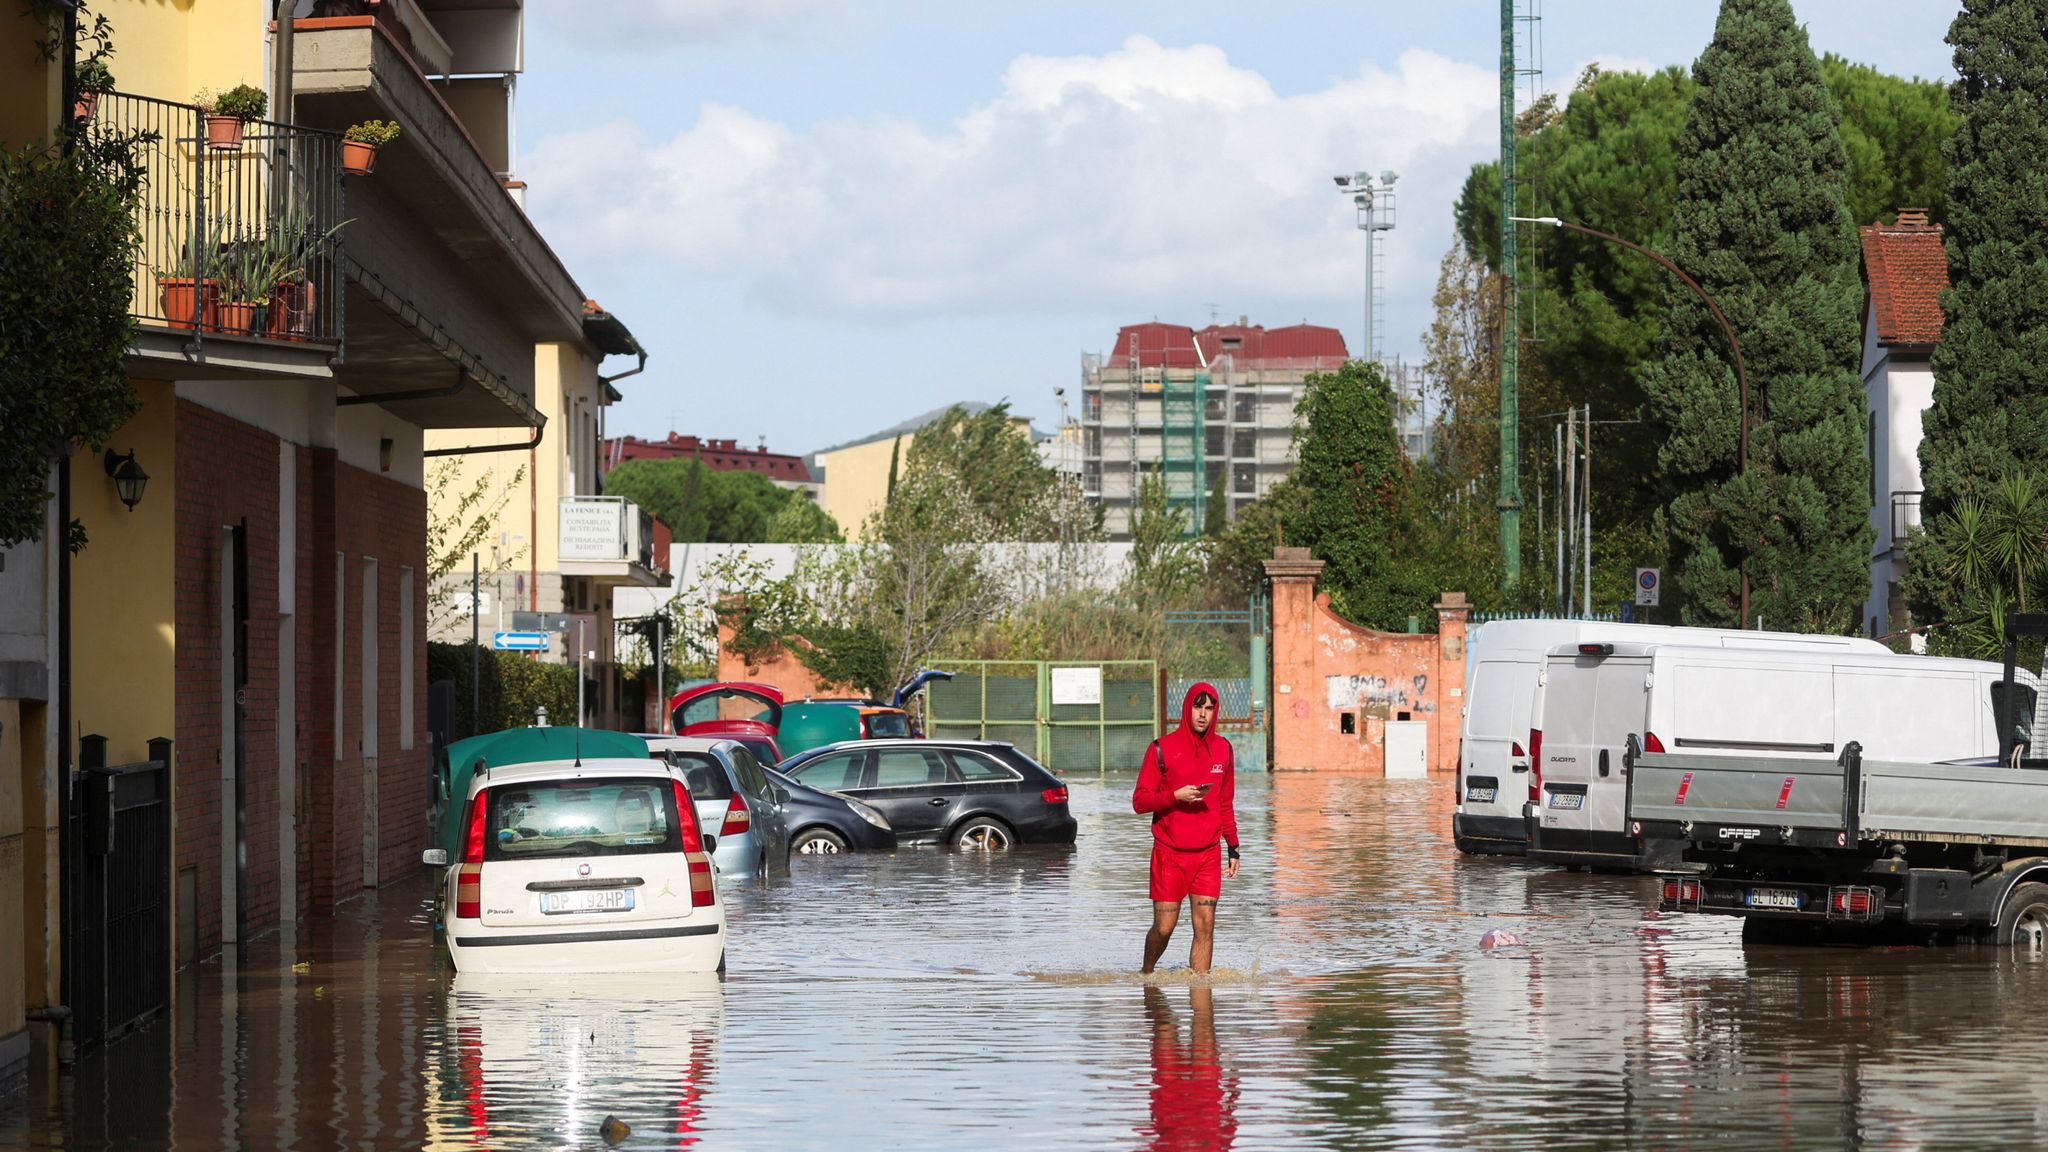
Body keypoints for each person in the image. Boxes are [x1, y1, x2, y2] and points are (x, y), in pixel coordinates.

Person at [1133, 683, 1240, 974]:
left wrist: (1233, 846)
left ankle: (1202, 1005)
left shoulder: (1223, 749)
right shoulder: (1160, 749)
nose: (1203, 715)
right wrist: (1174, 796)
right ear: (1186, 709)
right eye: (1197, 707)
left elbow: (1225, 802)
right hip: (1169, 855)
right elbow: (1140, 801)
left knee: (1205, 925)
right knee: (1164, 927)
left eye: (1209, 708)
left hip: (1208, 855)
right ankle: (1146, 975)